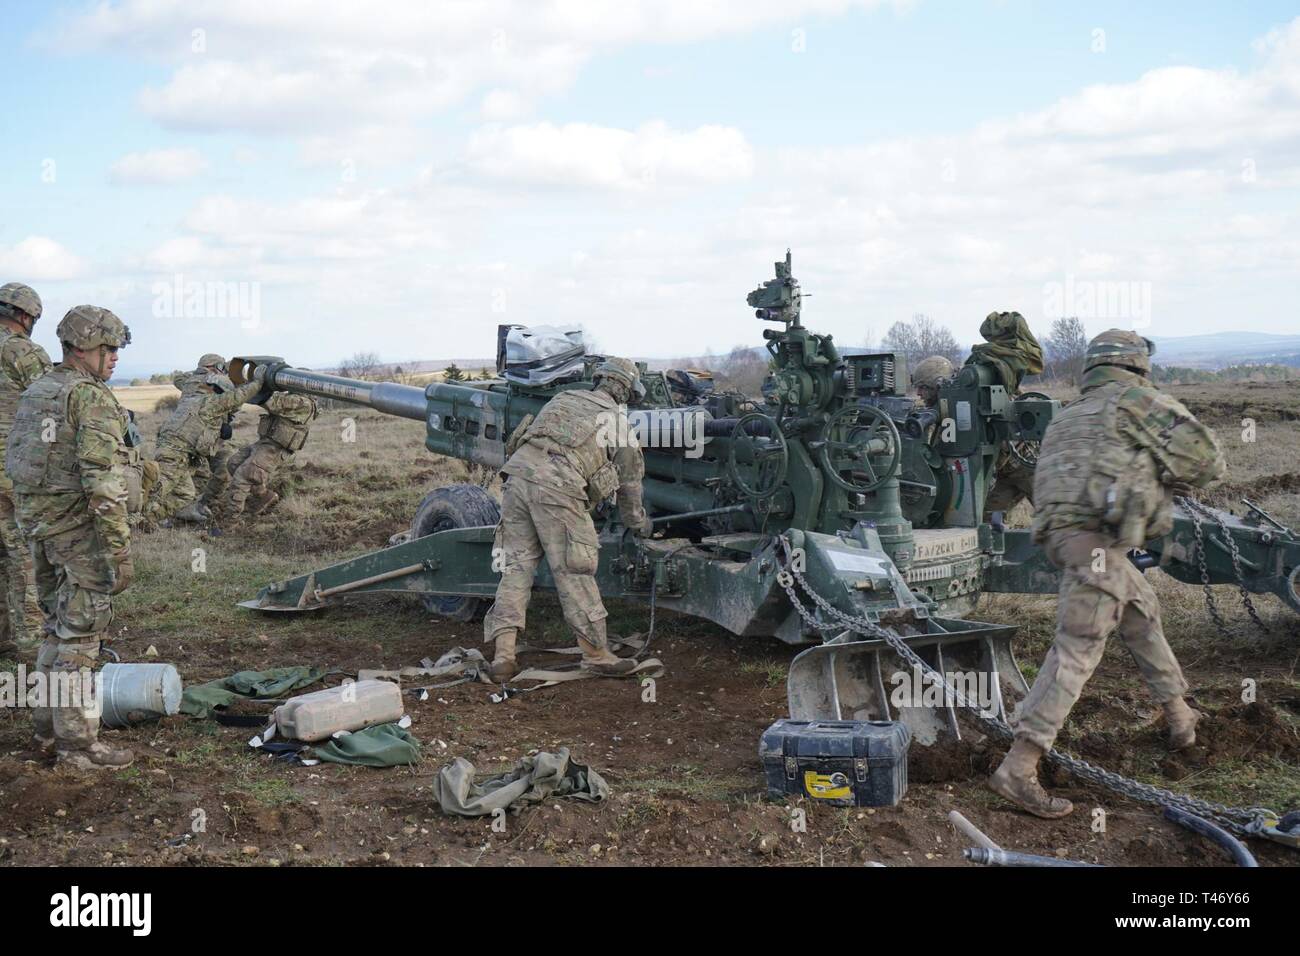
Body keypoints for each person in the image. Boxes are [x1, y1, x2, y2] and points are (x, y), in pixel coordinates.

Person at [987, 329, 1226, 818]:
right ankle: (1020, 765)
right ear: (1137, 366)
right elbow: (1207, 463)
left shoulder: (1068, 414)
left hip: (1066, 542)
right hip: (1096, 545)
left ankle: (1180, 717)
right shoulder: (1135, 401)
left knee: (1141, 615)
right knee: (1080, 644)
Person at [6, 306, 139, 769]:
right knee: (81, 640)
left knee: (55, 632)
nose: (115, 357)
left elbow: (20, 467)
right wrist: (117, 548)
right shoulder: (91, 397)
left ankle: (46, 732)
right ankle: (78, 747)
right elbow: (101, 479)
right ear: (85, 347)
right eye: (110, 348)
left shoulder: (38, 389)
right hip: (78, 535)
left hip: (40, 532)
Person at [483, 357, 652, 681]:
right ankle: (596, 655)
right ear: (627, 393)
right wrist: (639, 523)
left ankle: (503, 656)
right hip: (558, 489)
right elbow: (630, 487)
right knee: (575, 569)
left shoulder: (563, 399)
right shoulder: (617, 424)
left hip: (517, 480)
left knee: (516, 568)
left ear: (599, 380)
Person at [145, 356, 260, 525]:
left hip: (195, 445)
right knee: (159, 488)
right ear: (210, 368)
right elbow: (238, 397)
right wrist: (258, 382)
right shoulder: (210, 396)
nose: (223, 373)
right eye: (220, 368)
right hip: (179, 446)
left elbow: (179, 378)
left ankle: (149, 518)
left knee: (187, 490)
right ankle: (129, 517)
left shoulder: (192, 384)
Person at [0, 282, 52, 655]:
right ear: (24, 316)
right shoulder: (23, 351)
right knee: (26, 555)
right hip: (13, 470)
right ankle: (31, 640)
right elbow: (56, 401)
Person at [213, 391, 318, 523]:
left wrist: (258, 386)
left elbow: (270, 401)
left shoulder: (302, 403)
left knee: (243, 477)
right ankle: (264, 495)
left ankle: (230, 522)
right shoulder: (292, 397)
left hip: (274, 449)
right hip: (264, 443)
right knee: (233, 463)